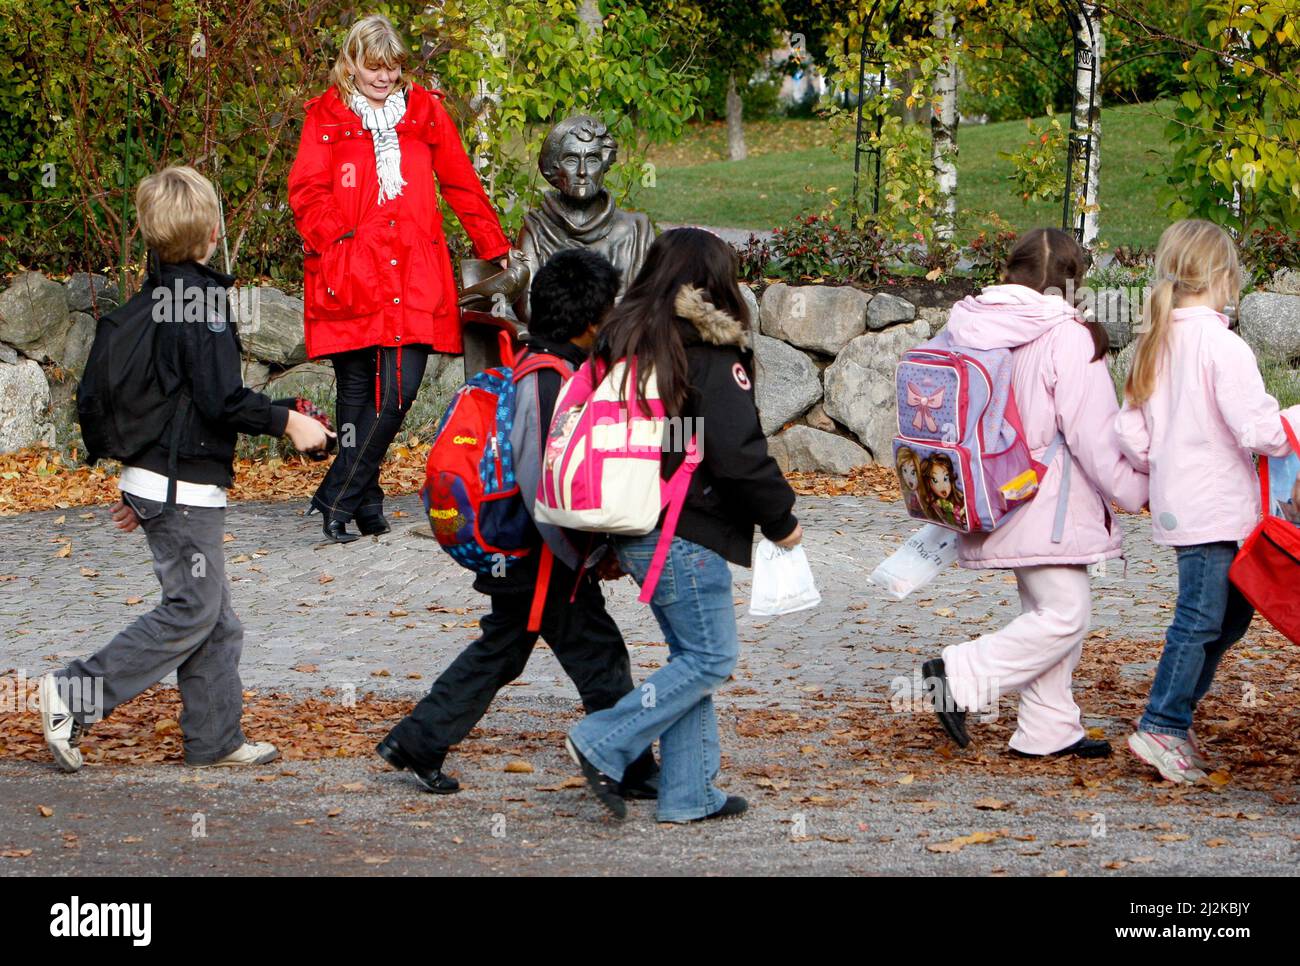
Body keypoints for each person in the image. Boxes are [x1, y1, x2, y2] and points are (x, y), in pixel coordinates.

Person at [39, 166, 330, 772]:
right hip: (182, 487)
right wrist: (288, 422)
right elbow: (220, 398)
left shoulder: (155, 300)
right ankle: (72, 694)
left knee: (216, 622)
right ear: (210, 231)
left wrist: (140, 485)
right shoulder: (201, 305)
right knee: (192, 610)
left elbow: (166, 398)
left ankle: (215, 739)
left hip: (163, 481)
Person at [376, 249, 657, 796]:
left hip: (527, 550)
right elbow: (544, 479)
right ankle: (628, 766)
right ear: (592, 321)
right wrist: (590, 552)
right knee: (600, 658)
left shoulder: (541, 367)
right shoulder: (549, 380)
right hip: (542, 554)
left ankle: (418, 739)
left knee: (502, 650)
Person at [564, 228, 802, 823]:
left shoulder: (627, 340)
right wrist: (781, 520)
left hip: (636, 523)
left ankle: (690, 792)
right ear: (715, 281)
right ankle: (604, 738)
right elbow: (737, 451)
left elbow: (669, 440)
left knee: (689, 657)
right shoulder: (707, 346)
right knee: (709, 659)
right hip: (683, 533)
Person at [921, 228, 1149, 759]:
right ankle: (956, 676)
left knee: (1049, 610)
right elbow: (1095, 437)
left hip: (991, 491)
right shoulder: (1067, 336)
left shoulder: (971, 324)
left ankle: (1048, 729)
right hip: (1049, 501)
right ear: (1071, 282)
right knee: (1065, 615)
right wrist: (1139, 491)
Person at [288, 13, 511, 543]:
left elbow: (461, 183)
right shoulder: (325, 115)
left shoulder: (425, 111)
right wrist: (339, 241)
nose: (384, 78)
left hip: (412, 272)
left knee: (398, 393)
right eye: (373, 67)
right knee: (356, 390)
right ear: (351, 63)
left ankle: (337, 493)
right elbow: (307, 190)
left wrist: (494, 244)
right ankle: (365, 504)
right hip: (350, 272)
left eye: (391, 68)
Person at [1117, 219, 1300, 784]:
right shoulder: (1223, 346)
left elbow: (1131, 435)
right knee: (1200, 620)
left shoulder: (1155, 343)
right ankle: (1162, 723)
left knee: (1229, 616)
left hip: (1184, 503)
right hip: (1217, 508)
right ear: (1223, 277)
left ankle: (1174, 718)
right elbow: (1258, 430)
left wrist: (1166, 462)